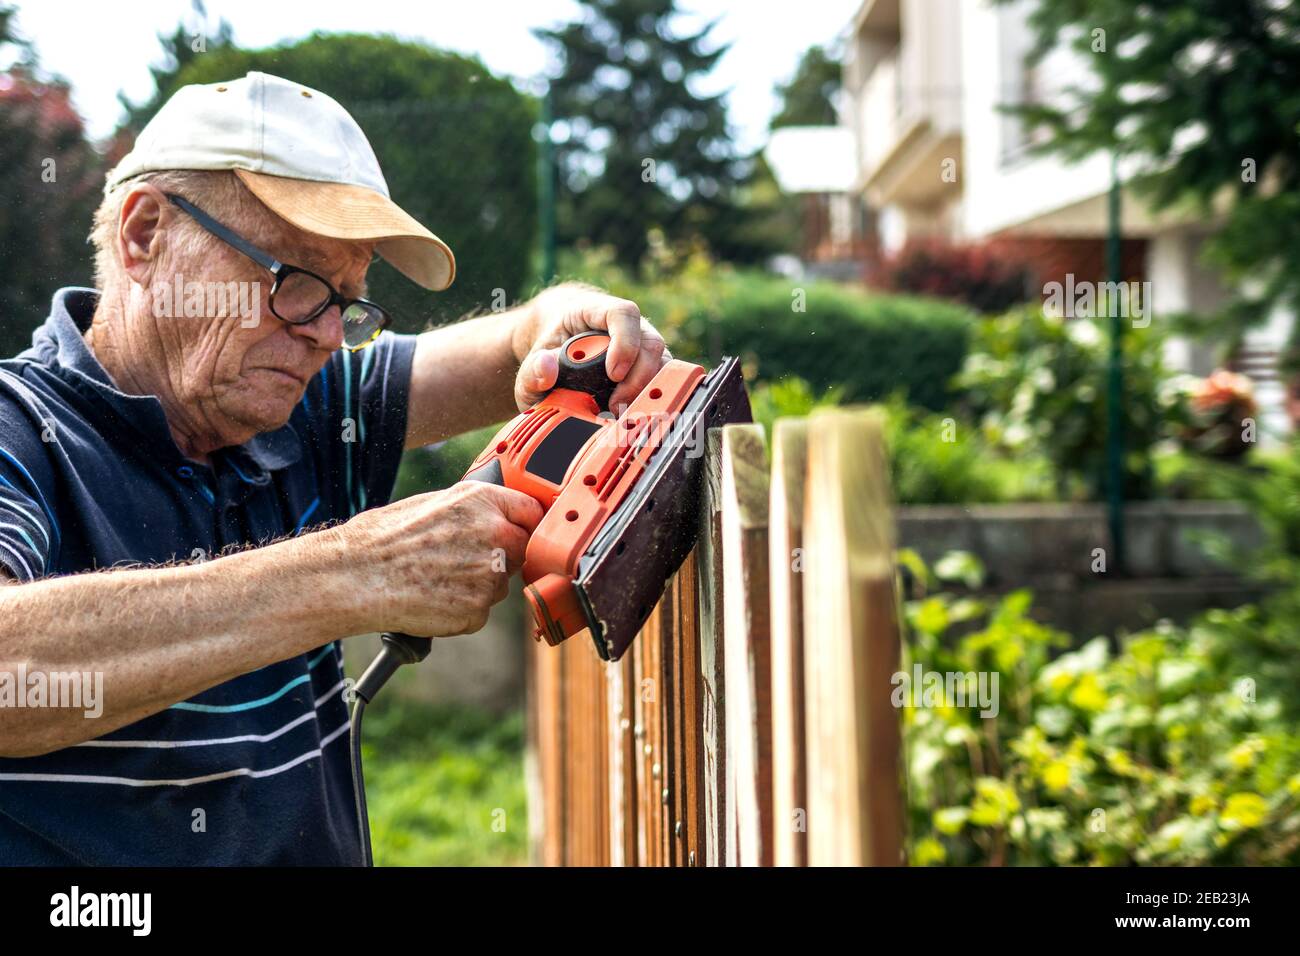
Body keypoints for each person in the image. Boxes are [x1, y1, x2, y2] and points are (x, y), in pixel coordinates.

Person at [0, 71, 669, 864]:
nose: (323, 334)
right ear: (146, 234)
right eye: (295, 280)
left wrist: (571, 316)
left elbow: (520, 344)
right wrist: (354, 571)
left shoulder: (301, 405)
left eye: (347, 301)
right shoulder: (21, 430)